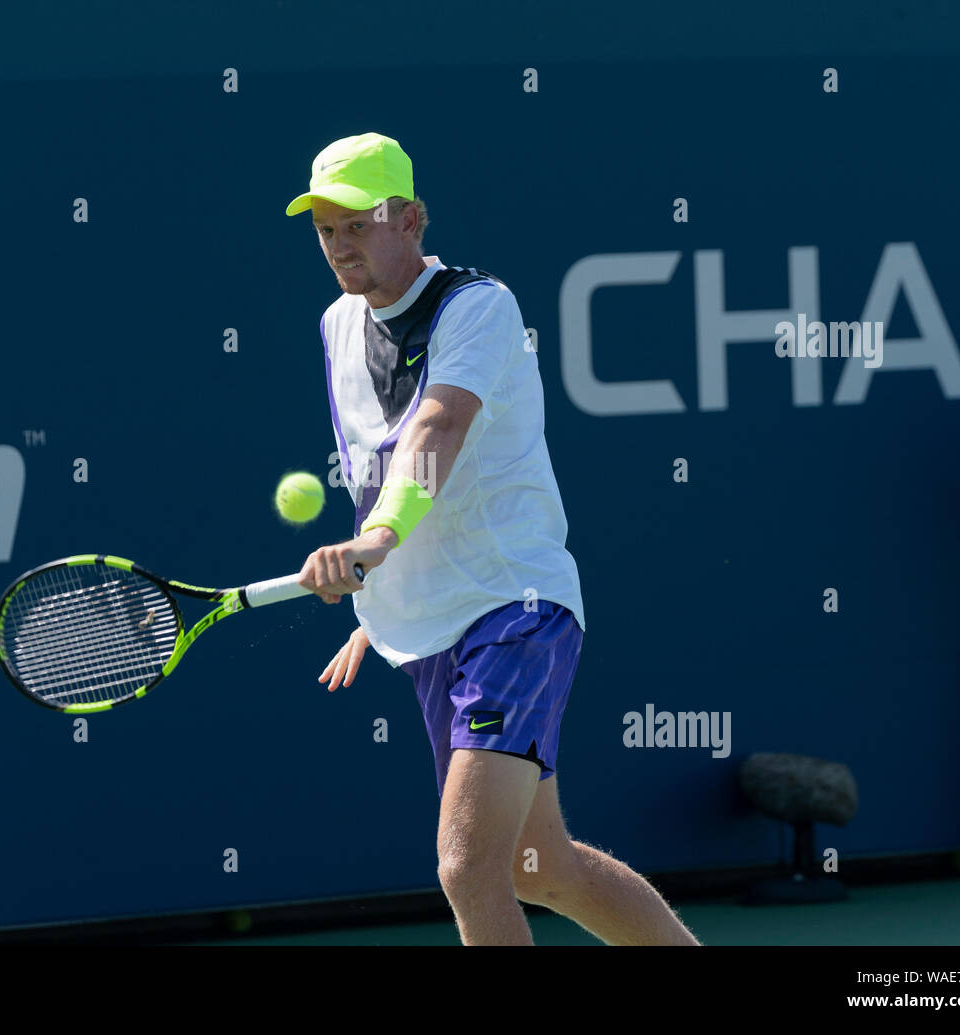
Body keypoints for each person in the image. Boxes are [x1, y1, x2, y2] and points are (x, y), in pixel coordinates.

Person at [286, 132, 699, 947]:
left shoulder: (479, 305)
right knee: (537, 866)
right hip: (431, 626)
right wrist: (380, 601)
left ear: (409, 218)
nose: (338, 245)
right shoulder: (336, 324)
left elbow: (437, 429)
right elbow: (383, 460)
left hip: (515, 607)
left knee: (465, 865)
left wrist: (371, 543)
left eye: (356, 224)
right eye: (325, 228)